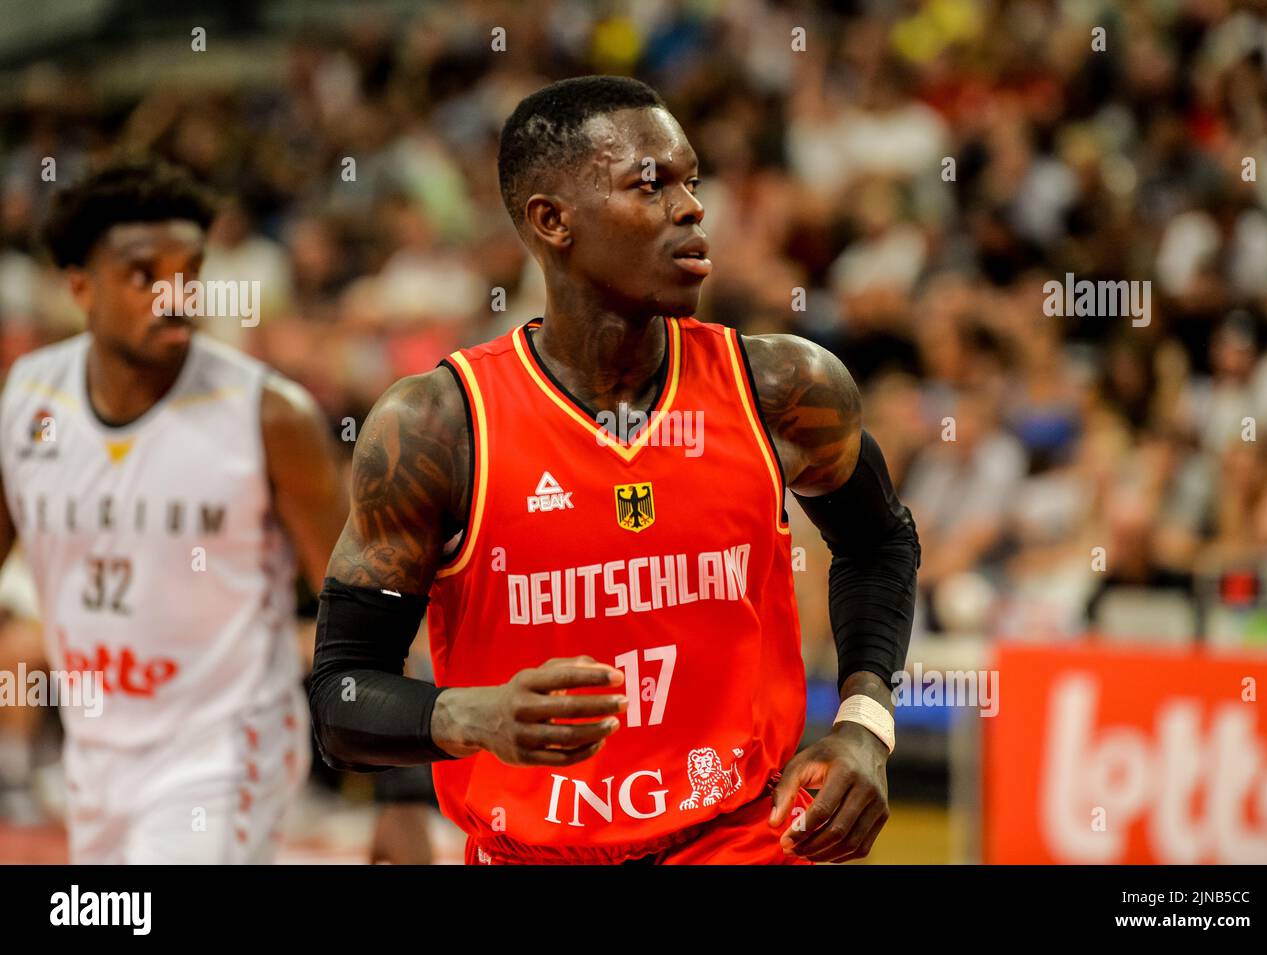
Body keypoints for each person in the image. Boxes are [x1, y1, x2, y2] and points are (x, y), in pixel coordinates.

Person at [310, 76, 921, 865]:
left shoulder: (784, 388)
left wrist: (865, 724)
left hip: (741, 838)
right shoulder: (439, 427)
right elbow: (340, 696)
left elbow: (880, 545)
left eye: (691, 181)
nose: (692, 206)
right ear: (552, 221)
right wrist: (475, 717)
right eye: (650, 183)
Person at [0, 158, 345, 863]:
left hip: (226, 746)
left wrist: (397, 790)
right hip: (95, 755)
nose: (175, 293)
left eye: (189, 269)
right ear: (80, 288)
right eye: (143, 273)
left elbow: (361, 610)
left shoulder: (271, 414)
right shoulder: (29, 399)